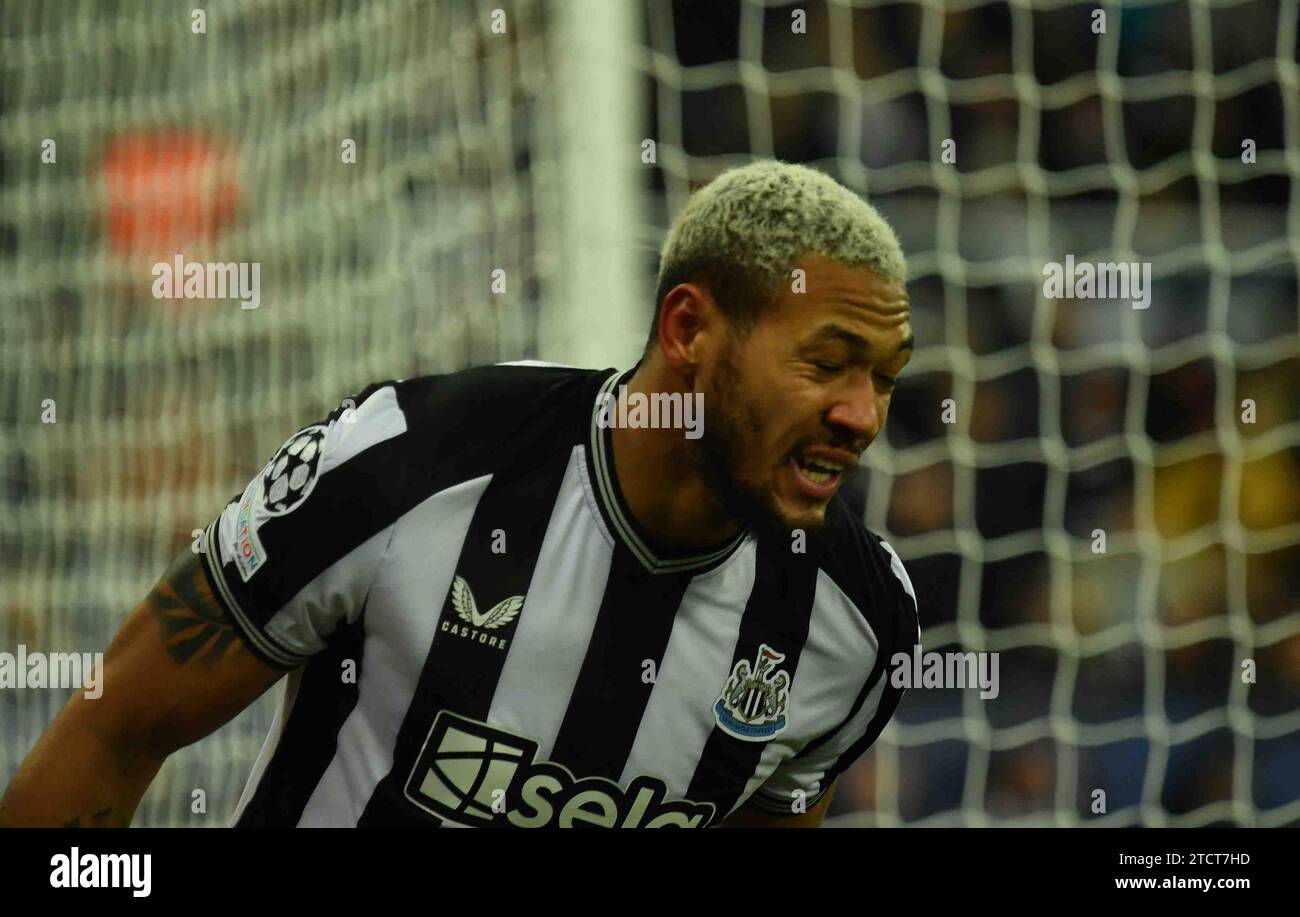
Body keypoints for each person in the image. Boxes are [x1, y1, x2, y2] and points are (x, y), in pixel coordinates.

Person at [0, 159, 919, 828]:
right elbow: (116, 728)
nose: (860, 413)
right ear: (689, 327)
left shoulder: (855, 621)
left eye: (884, 376)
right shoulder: (414, 462)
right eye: (828, 363)